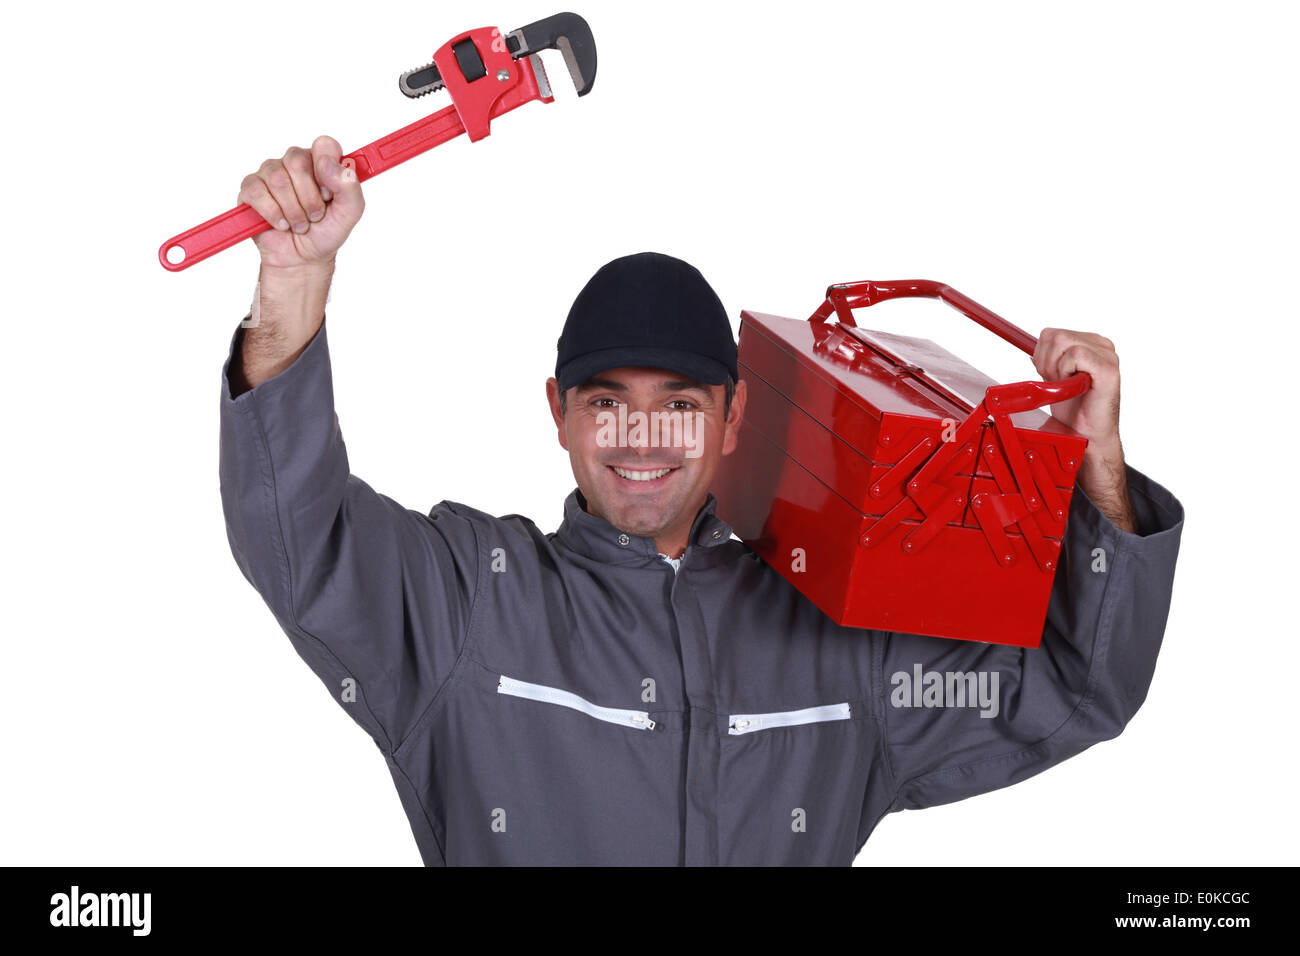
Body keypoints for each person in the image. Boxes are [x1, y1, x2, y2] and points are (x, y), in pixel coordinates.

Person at [219, 136, 1185, 866]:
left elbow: (1079, 687)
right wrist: (293, 290)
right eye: (609, 403)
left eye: (679, 405)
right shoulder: (473, 604)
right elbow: (303, 543)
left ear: (734, 421)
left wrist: (1095, 469)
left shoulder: (844, 644)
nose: (643, 438)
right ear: (559, 414)